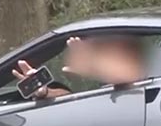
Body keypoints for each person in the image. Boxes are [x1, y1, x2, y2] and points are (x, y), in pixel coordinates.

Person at [11, 35, 145, 99]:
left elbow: (129, 87)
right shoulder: (106, 92)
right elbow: (70, 99)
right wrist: (44, 92)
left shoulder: (148, 90)